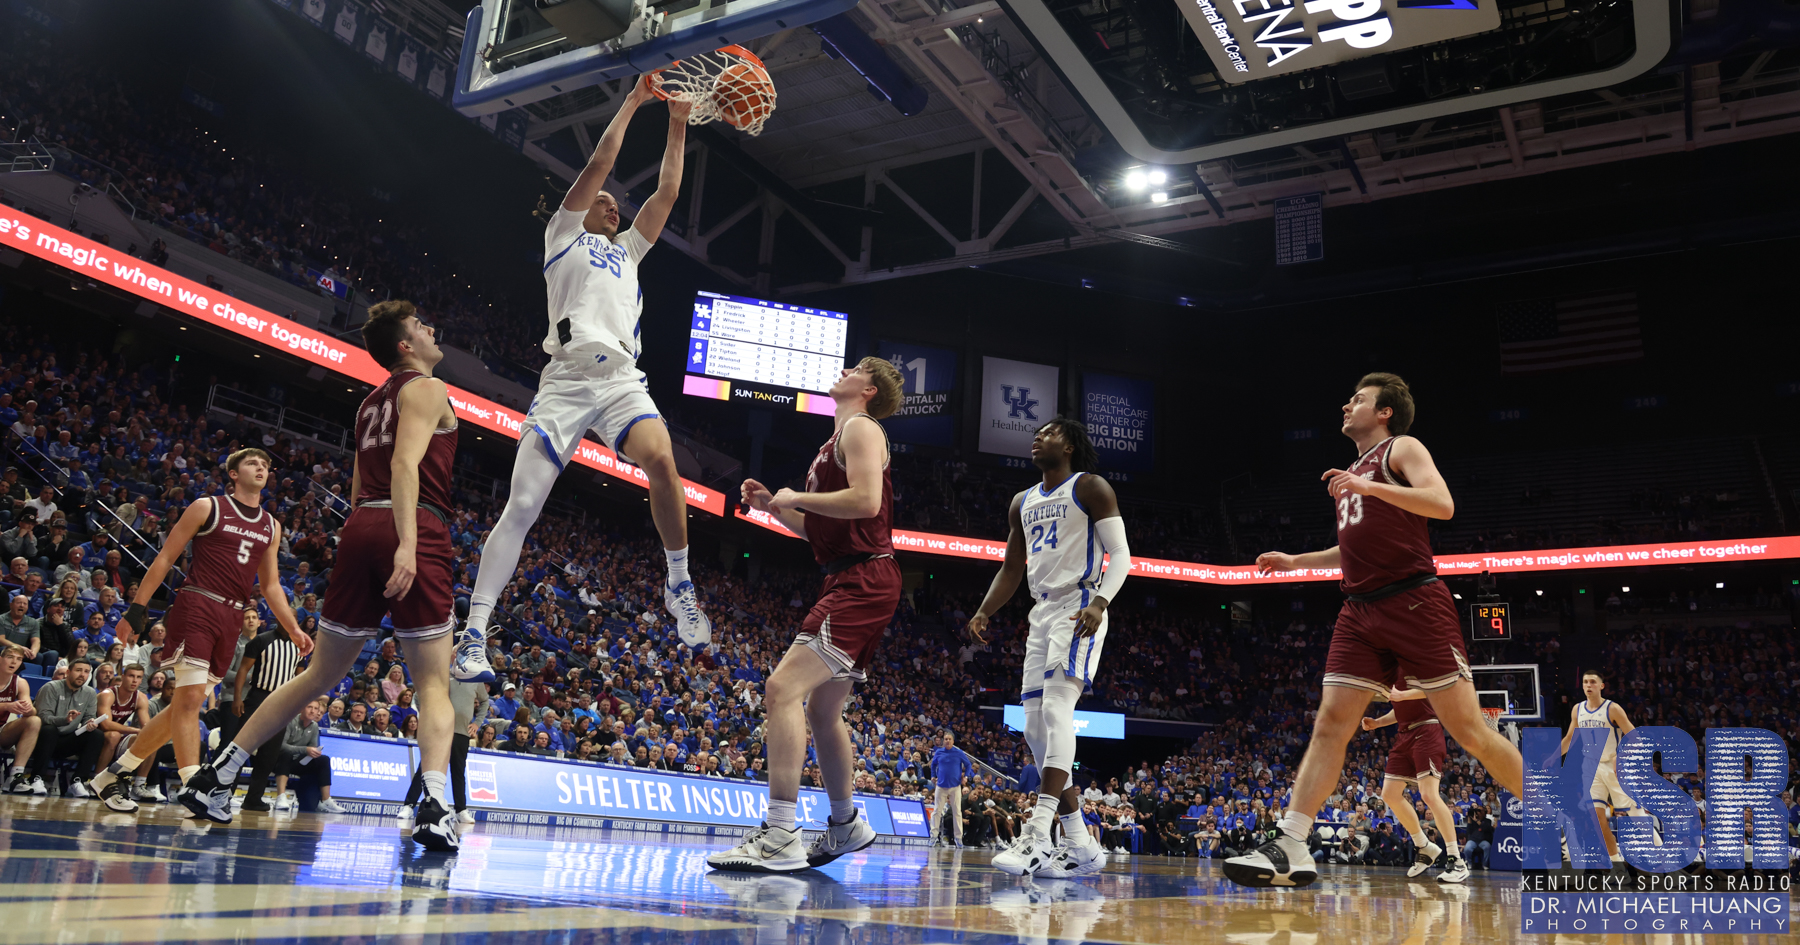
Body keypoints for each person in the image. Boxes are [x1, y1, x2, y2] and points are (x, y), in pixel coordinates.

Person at [179, 302, 462, 852]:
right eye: (422, 326)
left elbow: (360, 486)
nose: (432, 328)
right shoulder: (427, 389)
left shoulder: (367, 406)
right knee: (433, 682)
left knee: (315, 677)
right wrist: (405, 543)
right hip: (416, 523)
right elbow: (405, 466)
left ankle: (218, 775)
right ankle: (434, 805)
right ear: (405, 346)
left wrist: (371, 538)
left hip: (361, 527)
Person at [456, 75, 707, 685]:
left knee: (664, 462)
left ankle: (679, 584)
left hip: (622, 377)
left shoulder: (628, 251)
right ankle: (473, 635)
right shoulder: (562, 236)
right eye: (604, 202)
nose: (613, 205)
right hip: (566, 380)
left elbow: (668, 192)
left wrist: (677, 120)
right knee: (522, 505)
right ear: (579, 207)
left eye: (616, 205)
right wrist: (635, 102)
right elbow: (600, 162)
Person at [1227, 373, 1524, 889]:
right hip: (1360, 609)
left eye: (1358, 399)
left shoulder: (1400, 449)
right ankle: (1292, 844)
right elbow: (1354, 549)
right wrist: (1297, 561)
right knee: (1330, 724)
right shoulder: (1354, 473)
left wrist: (1368, 484)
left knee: (1471, 732)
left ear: (1385, 412)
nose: (1347, 404)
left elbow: (1442, 503)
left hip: (1414, 600)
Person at [707, 359, 905, 873]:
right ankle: (845, 824)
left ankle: (779, 833)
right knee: (820, 710)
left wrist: (799, 496)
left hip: (861, 579)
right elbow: (816, 527)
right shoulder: (832, 443)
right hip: (851, 574)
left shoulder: (861, 427)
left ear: (868, 389)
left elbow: (865, 501)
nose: (845, 368)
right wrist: (777, 506)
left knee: (780, 690)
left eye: (857, 367)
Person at [91, 449, 312, 814]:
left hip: (232, 618)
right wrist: (136, 610)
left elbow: (271, 585)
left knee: (181, 708)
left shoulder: (271, 526)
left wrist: (292, 628)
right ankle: (194, 783)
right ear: (233, 473)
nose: (261, 468)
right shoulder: (207, 507)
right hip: (197, 604)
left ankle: (112, 775)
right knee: (191, 702)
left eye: (265, 465)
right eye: (252, 463)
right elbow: (164, 557)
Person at [970, 417, 1128, 879]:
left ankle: (1039, 832)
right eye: (1036, 432)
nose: (1038, 437)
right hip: (1041, 613)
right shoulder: (1022, 500)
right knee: (1034, 726)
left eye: (1051, 432)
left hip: (1080, 604)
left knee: (1058, 711)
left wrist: (1101, 600)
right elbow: (1011, 567)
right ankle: (1079, 841)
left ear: (1072, 446)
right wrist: (983, 611)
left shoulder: (1091, 487)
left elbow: (1121, 555)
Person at [1363, 677, 1467, 882]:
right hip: (1404, 736)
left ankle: (1457, 860)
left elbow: (1436, 689)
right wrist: (1378, 723)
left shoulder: (1414, 657)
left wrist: (1403, 695)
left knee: (1429, 794)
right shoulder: (1390, 669)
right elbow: (1401, 710)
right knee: (1389, 794)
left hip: (1426, 731)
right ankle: (1424, 846)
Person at [1560, 669, 1640, 868]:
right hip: (1592, 768)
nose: (1589, 685)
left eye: (1593, 682)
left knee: (1638, 817)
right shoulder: (1577, 710)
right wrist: (1552, 758)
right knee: (1597, 818)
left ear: (1601, 686)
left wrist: (1621, 757)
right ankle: (1618, 867)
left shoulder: (1612, 708)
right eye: (1586, 682)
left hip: (1614, 767)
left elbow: (1635, 737)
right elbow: (1569, 739)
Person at [234, 617, 311, 812]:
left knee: (270, 754)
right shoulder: (262, 640)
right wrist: (237, 698)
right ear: (278, 619)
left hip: (283, 702)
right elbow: (243, 669)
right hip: (258, 697)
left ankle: (253, 798)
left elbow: (300, 679)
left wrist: (295, 704)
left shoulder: (299, 646)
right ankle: (225, 793)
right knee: (241, 747)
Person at [33, 658, 103, 794]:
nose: (82, 674)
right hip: (42, 740)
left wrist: (89, 723)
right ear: (68, 672)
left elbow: (89, 716)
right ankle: (37, 778)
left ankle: (78, 781)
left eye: (86, 671)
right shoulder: (51, 687)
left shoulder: (90, 693)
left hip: (67, 740)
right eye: (78, 670)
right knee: (49, 730)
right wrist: (64, 720)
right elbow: (43, 718)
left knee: (96, 735)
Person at [269, 700, 344, 813]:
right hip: (279, 761)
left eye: (315, 709)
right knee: (286, 754)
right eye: (309, 707)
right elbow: (281, 746)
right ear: (302, 709)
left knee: (323, 760)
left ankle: (325, 800)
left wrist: (314, 752)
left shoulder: (314, 726)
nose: (312, 711)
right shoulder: (290, 722)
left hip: (299, 762)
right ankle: (281, 797)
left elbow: (313, 747)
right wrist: (305, 749)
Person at [0, 644, 47, 794]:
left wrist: (28, 709)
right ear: (0, 659)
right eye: (10, 657)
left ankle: (15, 776)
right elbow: (7, 706)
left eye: (19, 659)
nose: (14, 662)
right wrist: (7, 706)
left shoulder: (20, 682)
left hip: (2, 731)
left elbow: (31, 711)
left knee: (34, 721)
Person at [93, 663, 150, 783]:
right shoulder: (108, 695)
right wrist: (136, 730)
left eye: (138, 677)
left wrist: (146, 733)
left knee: (150, 739)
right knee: (114, 735)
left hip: (117, 737)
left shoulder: (141, 698)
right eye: (131, 676)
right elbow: (106, 725)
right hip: (95, 735)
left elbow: (147, 727)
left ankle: (139, 784)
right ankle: (97, 780)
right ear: (123, 677)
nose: (134, 680)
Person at [928, 730, 974, 848]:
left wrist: (966, 777)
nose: (947, 741)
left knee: (957, 812)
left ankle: (958, 838)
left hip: (955, 787)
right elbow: (933, 765)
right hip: (941, 786)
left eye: (949, 739)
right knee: (937, 811)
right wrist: (933, 776)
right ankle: (933, 836)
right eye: (945, 739)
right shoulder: (939, 752)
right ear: (943, 741)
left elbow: (968, 765)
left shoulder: (958, 752)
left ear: (953, 741)